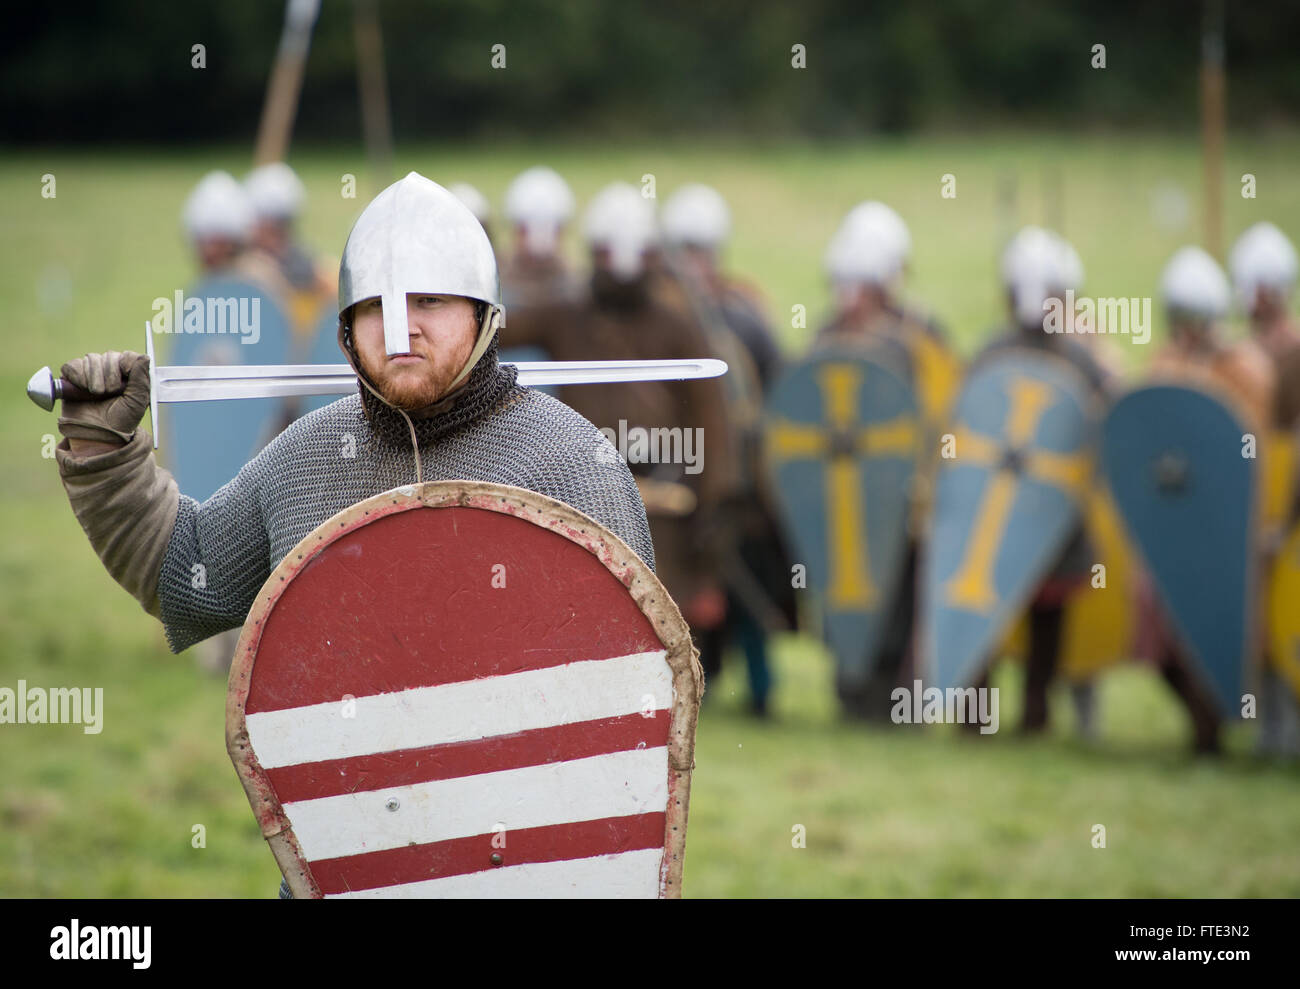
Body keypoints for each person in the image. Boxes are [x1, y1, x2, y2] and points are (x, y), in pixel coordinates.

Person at [53, 171, 657, 772]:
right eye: (377, 307)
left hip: (524, 840)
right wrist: (100, 449)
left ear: (483, 316)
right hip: (345, 844)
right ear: (344, 332)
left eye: (430, 300)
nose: (403, 329)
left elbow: (634, 689)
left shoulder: (570, 461)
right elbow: (184, 571)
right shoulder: (308, 459)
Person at [503, 182, 740, 678]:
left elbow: (711, 425)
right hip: (583, 491)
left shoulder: (679, 326)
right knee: (589, 624)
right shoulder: (566, 316)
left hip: (667, 505)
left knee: (664, 637)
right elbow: (491, 332)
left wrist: (714, 510)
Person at [962, 226, 1109, 736]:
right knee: (981, 614)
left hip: (1053, 508)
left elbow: (1105, 426)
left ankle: (1034, 713)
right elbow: (963, 426)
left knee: (1046, 617)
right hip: (993, 510)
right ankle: (980, 715)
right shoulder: (993, 354)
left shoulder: (1079, 360)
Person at [656, 183, 796, 717]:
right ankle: (694, 692)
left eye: (702, 251)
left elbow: (779, 399)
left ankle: (762, 692)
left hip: (743, 482)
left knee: (750, 588)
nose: (694, 265)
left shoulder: (744, 319)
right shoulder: (659, 320)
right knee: (685, 594)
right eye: (684, 252)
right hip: (679, 476)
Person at [1136, 246, 1275, 754]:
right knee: (1158, 640)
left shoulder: (1244, 368)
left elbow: (1248, 450)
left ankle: (1212, 731)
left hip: (1225, 530)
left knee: (1216, 634)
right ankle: (1202, 724)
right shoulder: (1165, 363)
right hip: (1174, 526)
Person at [1229, 222, 1300, 756]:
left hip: (1290, 504)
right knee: (1256, 617)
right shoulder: (1237, 355)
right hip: (1251, 499)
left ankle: (1289, 725)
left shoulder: (1294, 351)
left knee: (1288, 614)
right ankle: (1265, 724)